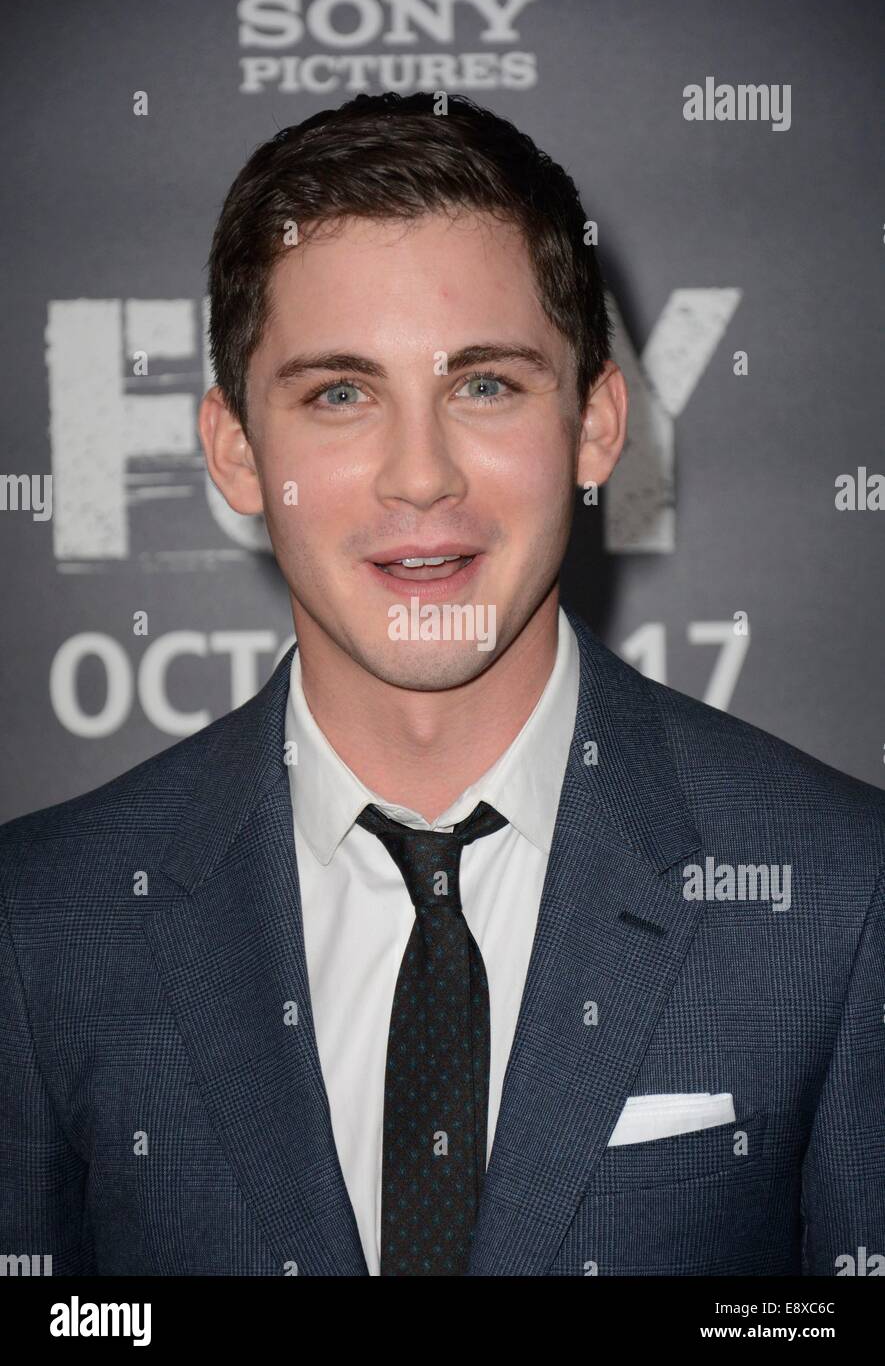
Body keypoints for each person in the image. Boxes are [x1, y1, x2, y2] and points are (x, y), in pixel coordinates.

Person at [2, 93, 883, 1277]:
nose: (419, 477)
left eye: (485, 385)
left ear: (596, 424)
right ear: (233, 450)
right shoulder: (41, 923)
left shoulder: (839, 898)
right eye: (339, 393)